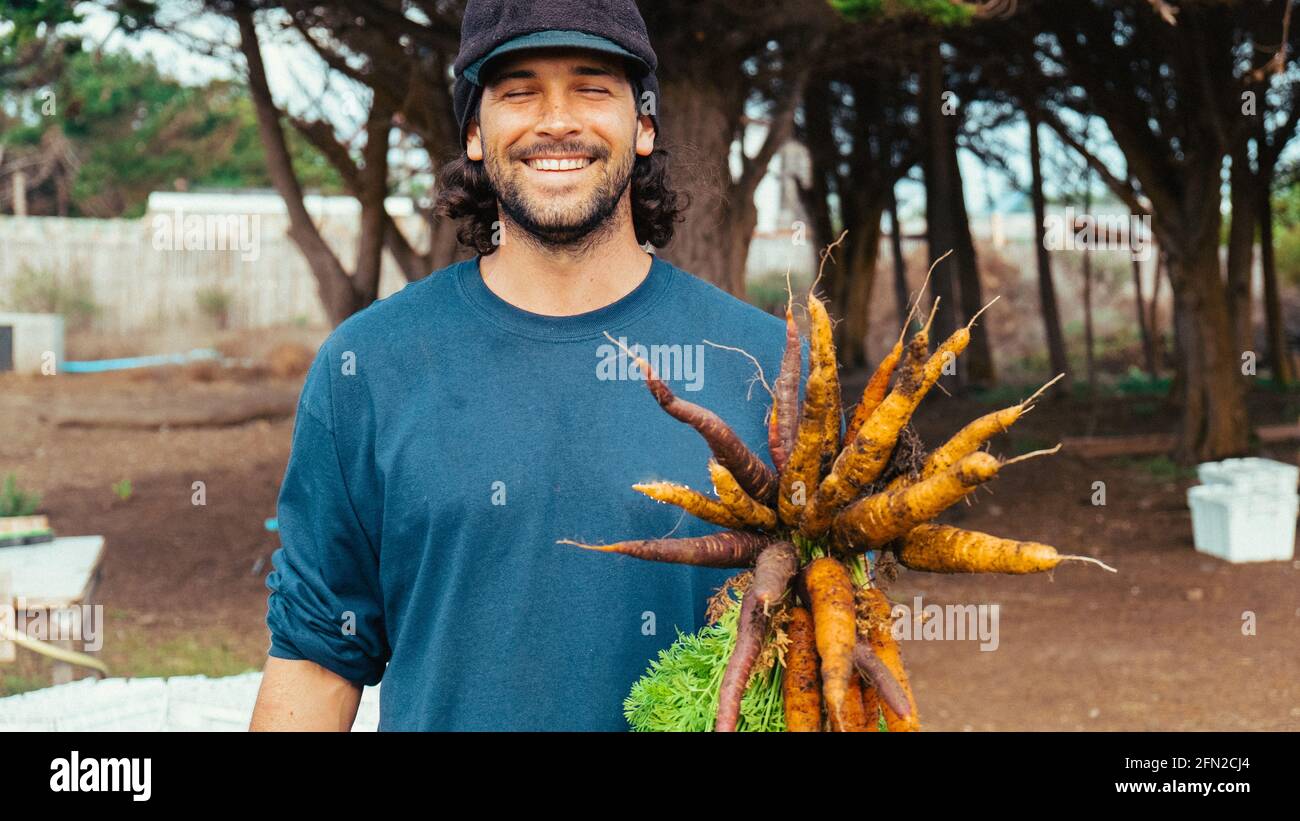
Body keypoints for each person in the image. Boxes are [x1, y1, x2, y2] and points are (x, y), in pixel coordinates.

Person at [250, 0, 792, 731]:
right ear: (475, 133)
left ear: (645, 125)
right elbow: (316, 663)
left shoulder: (765, 366)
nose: (557, 119)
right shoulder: (368, 369)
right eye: (519, 90)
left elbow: (825, 650)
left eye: (593, 86)